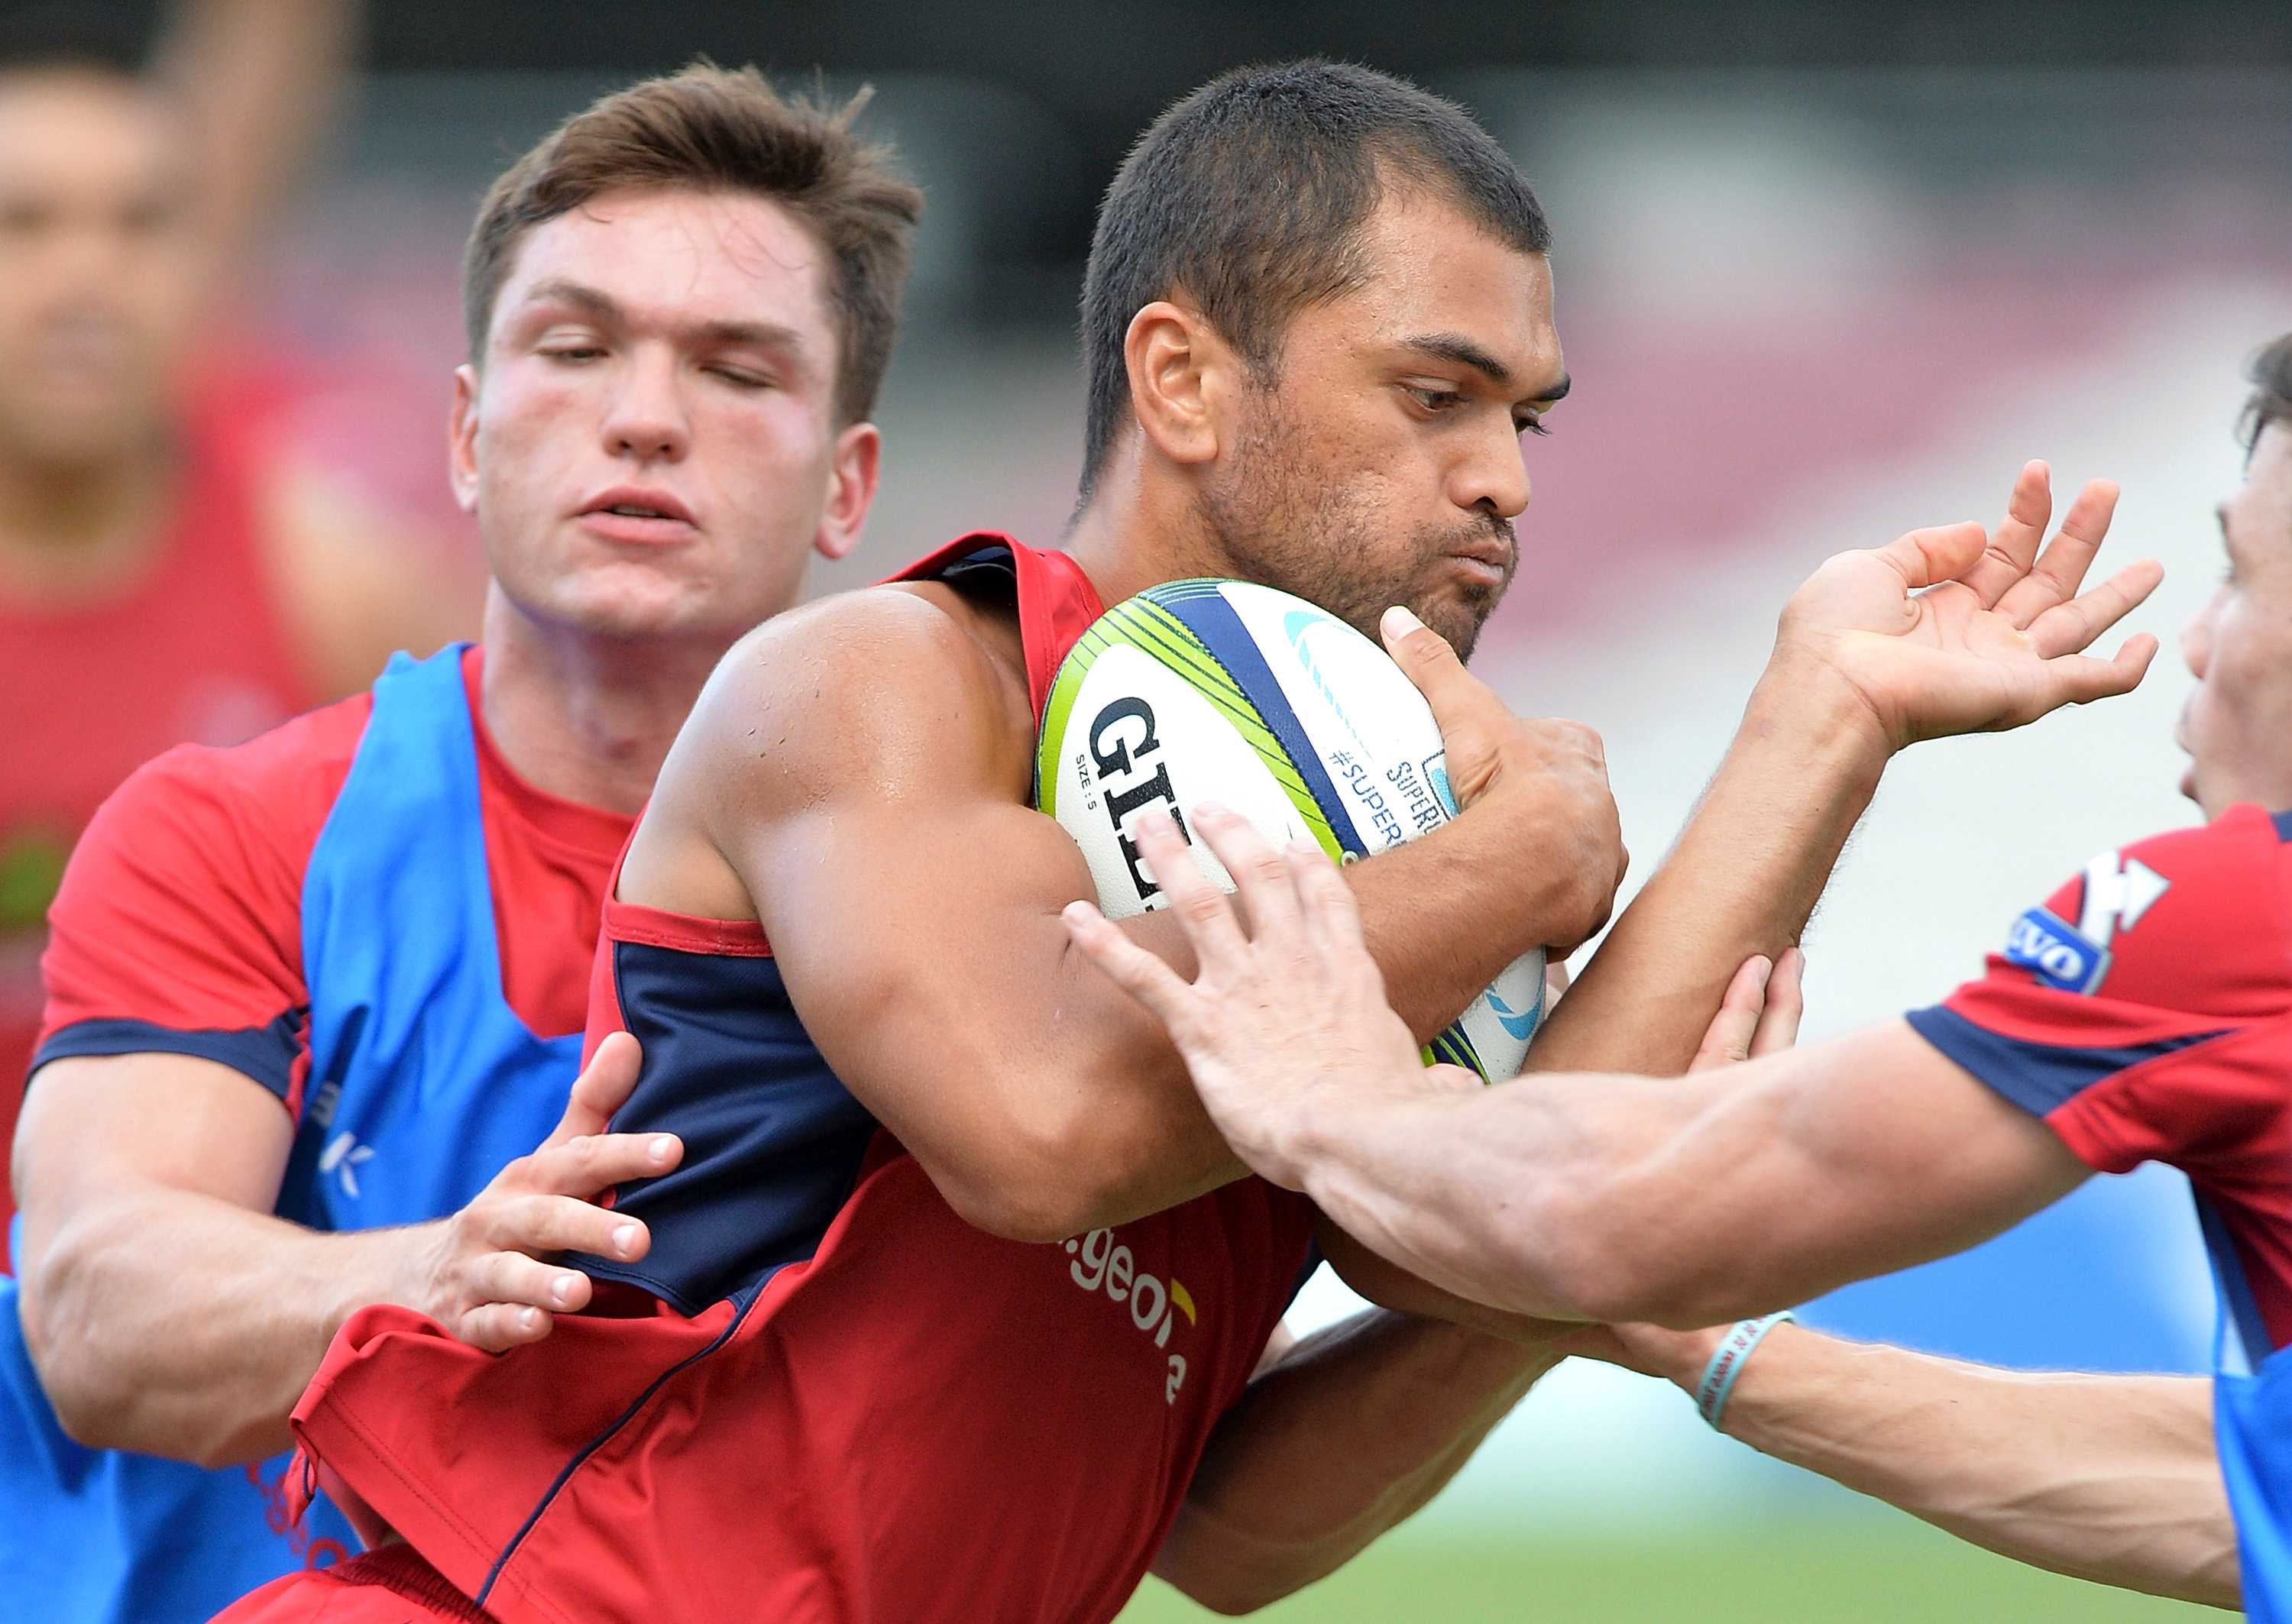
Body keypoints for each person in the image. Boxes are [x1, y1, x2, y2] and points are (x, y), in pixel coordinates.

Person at [238, 61, 2156, 1624]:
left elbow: (1272, 1488)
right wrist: (1531, 863)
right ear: (1180, 380)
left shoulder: (1366, 846)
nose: (1501, 476)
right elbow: (1044, 1124)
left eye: (1528, 422)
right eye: (1436, 395)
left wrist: (1822, 722)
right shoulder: (889, 681)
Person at [1065, 337, 2292, 1616]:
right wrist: (1710, 1334)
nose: (2201, 641)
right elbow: (2233, 1488)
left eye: (2244, 579)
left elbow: (1610, 1209)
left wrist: (1333, 1096)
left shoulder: (2238, 913)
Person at [2, 66, 921, 1624]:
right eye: (574, 348)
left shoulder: (940, 891)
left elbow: (1211, 1519)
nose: (645, 418)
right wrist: (427, 1270)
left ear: (849, 485)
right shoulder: (232, 827)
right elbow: (94, 1310)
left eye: (734, 369)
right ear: (467, 433)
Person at [0, 0, 478, 1237]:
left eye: (142, 223)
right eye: (26, 224)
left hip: (206, 1315)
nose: (85, 276)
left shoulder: (339, 585)